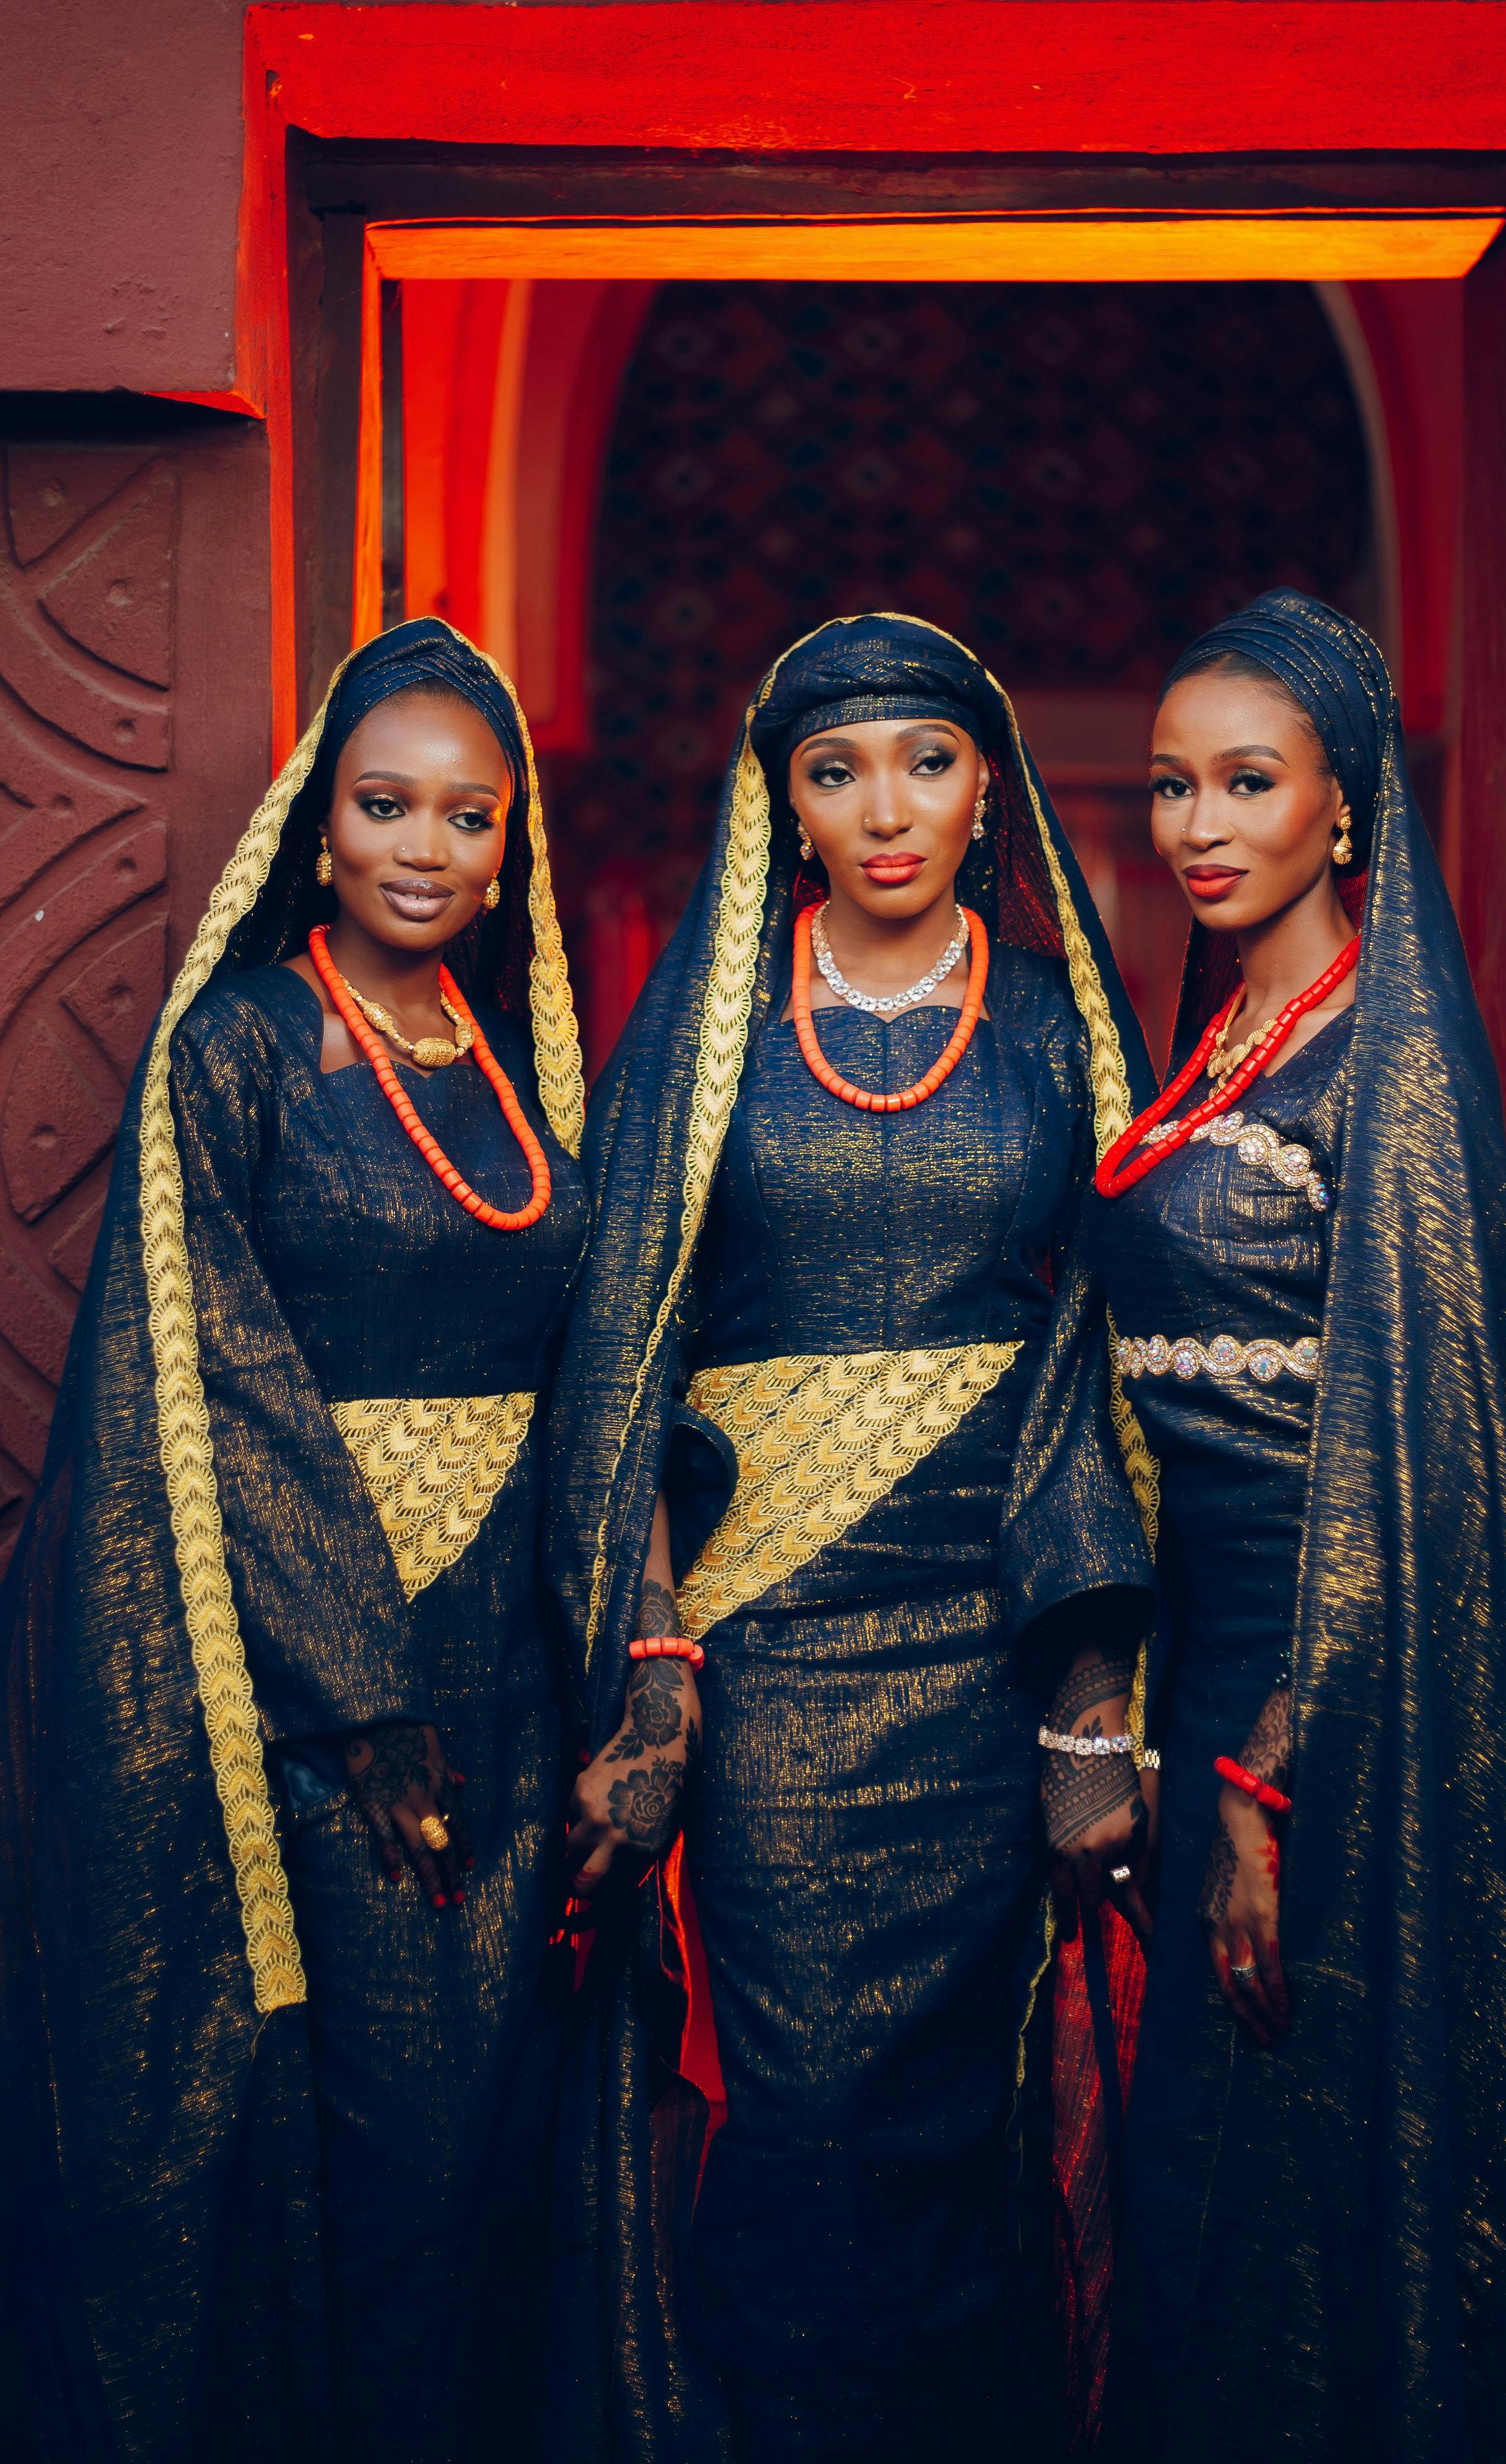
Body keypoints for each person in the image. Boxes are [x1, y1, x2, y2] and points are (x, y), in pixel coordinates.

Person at [0, 618, 589, 2464]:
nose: (423, 846)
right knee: (383, 2141)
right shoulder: (244, 1044)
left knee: (489, 2145)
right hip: (330, 1696)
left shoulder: (509, 1057)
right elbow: (218, 1361)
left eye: (465, 817)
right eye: (383, 805)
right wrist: (361, 1695)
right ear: (317, 832)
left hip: (510, 1668)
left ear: (507, 849)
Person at [546, 613, 1158, 2462]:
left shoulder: (1061, 1027)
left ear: (992, 792)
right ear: (786, 808)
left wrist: (1088, 1695)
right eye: (836, 772)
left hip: (992, 1660)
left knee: (964, 2118)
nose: (884, 810)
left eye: (927, 762)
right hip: (773, 1670)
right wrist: (654, 1674)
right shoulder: (709, 1036)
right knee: (796, 2115)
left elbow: (1107, 1358)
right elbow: (622, 1353)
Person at [1088, 589, 1506, 2459]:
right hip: (1208, 1655)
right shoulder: (1227, 1032)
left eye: (1247, 783)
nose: (1200, 827)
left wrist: (1267, 1773)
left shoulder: (1383, 1062)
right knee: (1224, 2172)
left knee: (1306, 2147)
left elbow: (1425, 1459)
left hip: (1335, 1705)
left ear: (1345, 806)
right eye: (1171, 786)